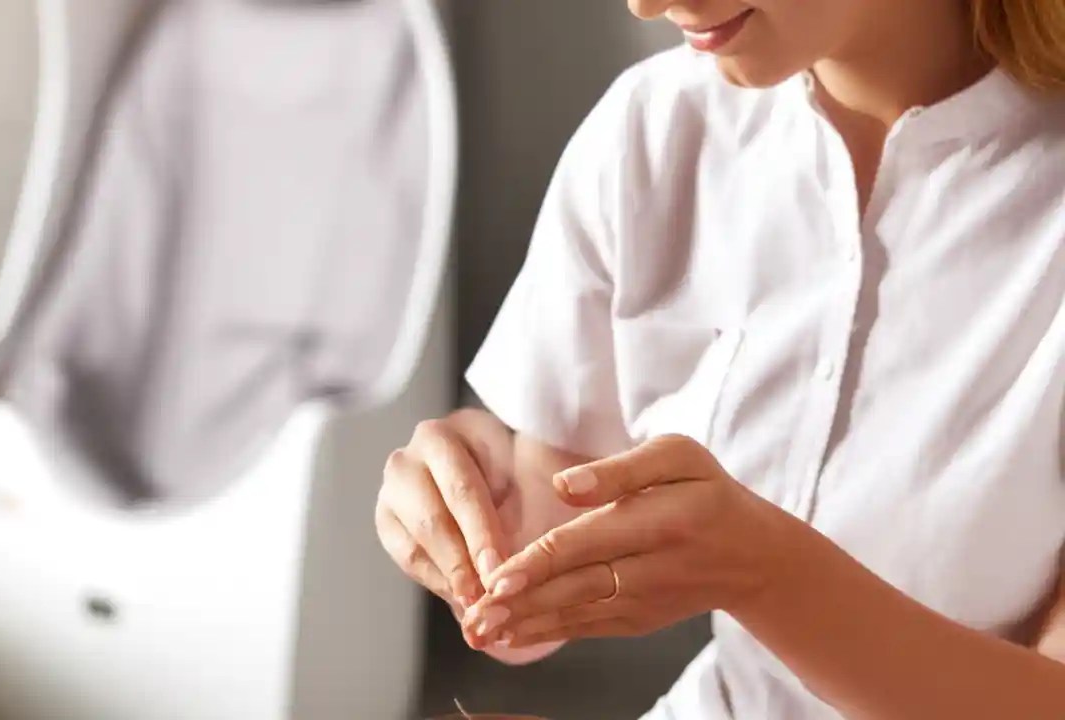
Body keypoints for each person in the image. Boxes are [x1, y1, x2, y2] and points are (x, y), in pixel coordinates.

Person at [374, 0, 1065, 717]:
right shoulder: (655, 128)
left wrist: (770, 577)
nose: (646, 4)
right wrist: (478, 514)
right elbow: (539, 569)